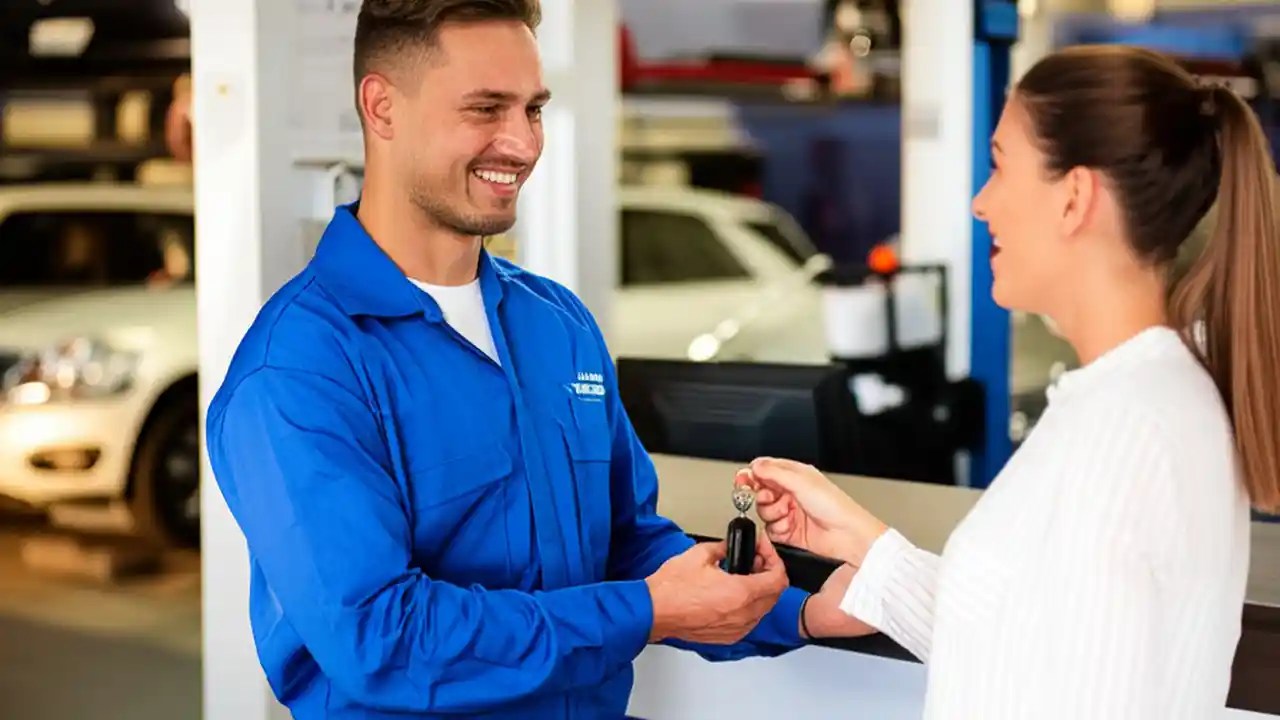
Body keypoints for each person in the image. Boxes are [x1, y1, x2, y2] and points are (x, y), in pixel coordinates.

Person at [204, 1, 865, 718]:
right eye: (486, 109)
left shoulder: (557, 325)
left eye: (534, 110)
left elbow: (622, 546)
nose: (520, 144)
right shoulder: (300, 368)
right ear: (382, 107)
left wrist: (797, 611)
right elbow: (383, 640)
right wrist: (646, 611)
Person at [740, 44, 1280, 719]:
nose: (980, 202)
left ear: (1074, 197)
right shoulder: (1130, 400)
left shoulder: (1128, 429)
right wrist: (862, 542)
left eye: (999, 166)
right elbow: (1024, 652)